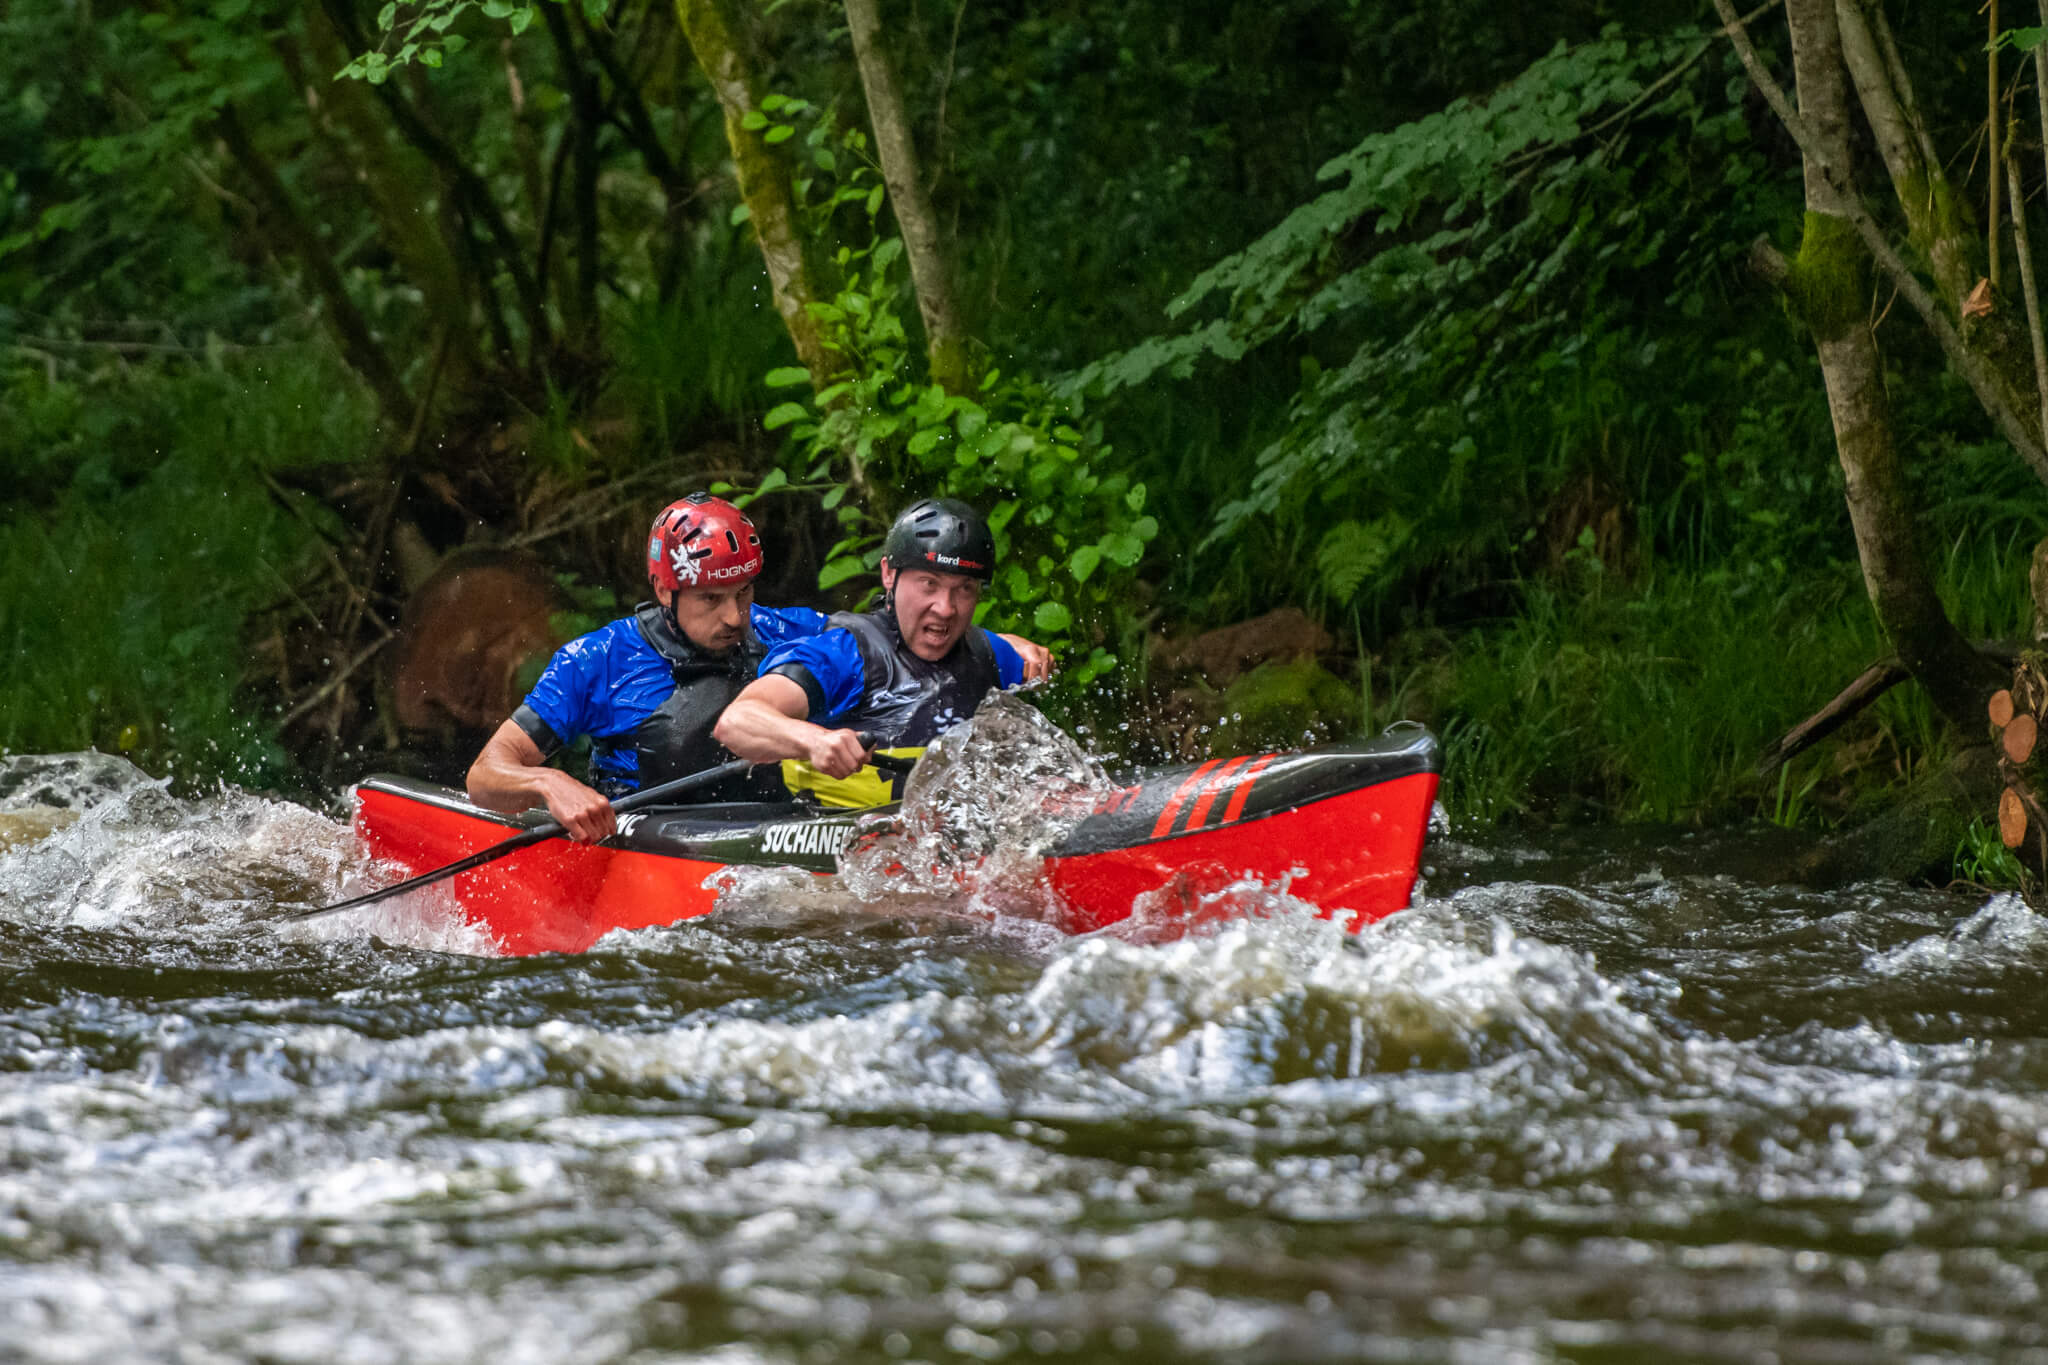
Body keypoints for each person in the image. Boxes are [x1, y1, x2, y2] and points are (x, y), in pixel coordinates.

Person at [466, 493, 1050, 839]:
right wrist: (549, 783)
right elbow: (486, 775)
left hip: (768, 832)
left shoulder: (776, 627)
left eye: (744, 593)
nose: (735, 617)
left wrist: (996, 642)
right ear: (663, 590)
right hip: (645, 835)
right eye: (711, 600)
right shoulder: (595, 660)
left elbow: (882, 636)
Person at [713, 497, 1049, 807]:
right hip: (839, 848)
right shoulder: (844, 655)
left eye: (964, 589)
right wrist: (814, 741)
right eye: (929, 584)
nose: (945, 609)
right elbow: (736, 722)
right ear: (889, 574)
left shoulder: (996, 656)